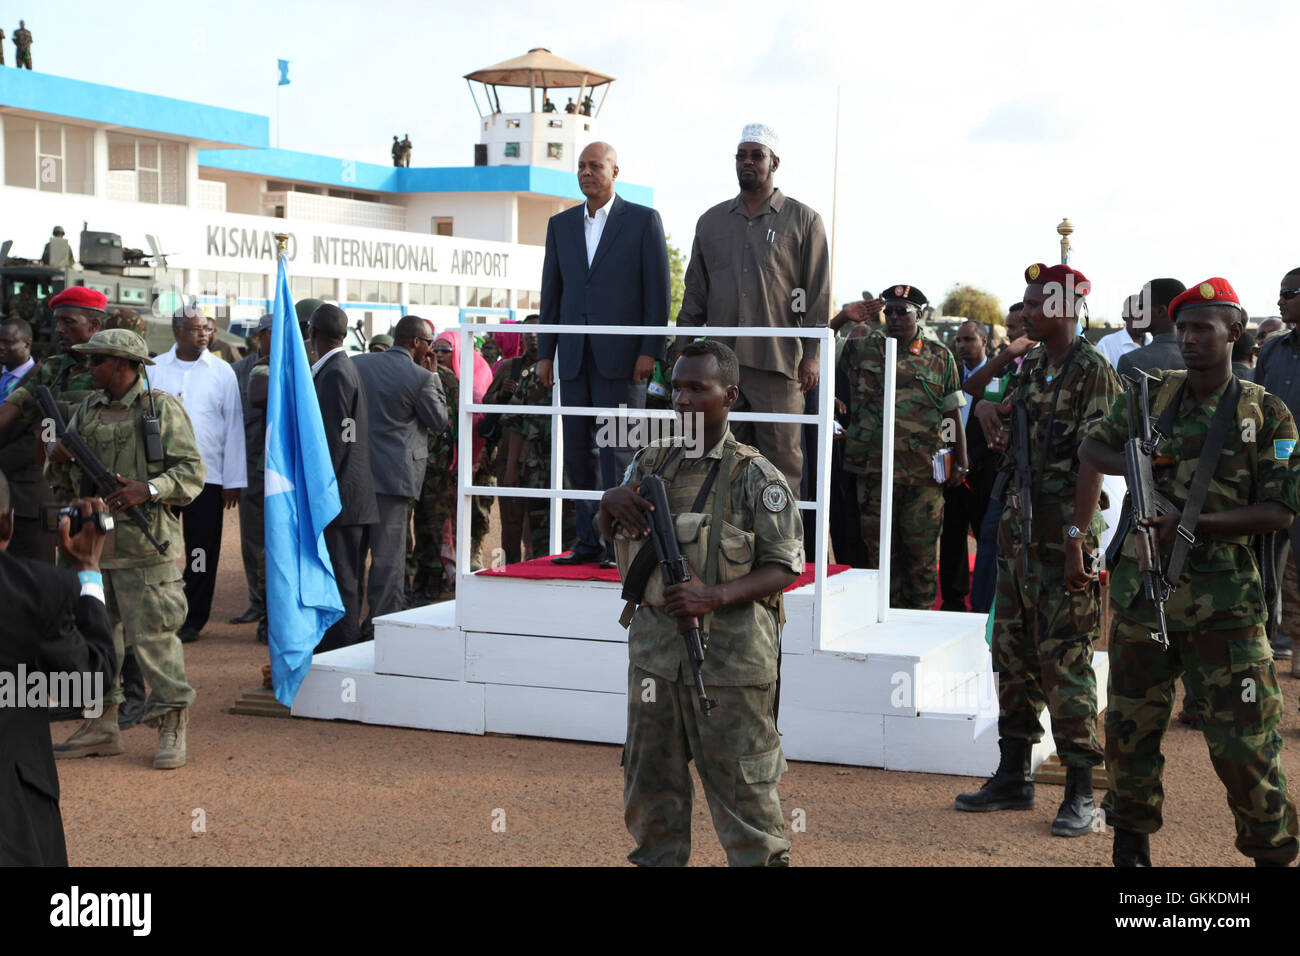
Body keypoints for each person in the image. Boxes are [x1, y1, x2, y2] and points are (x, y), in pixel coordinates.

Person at [1079, 276, 1300, 867]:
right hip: (1142, 596)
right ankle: (1132, 857)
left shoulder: (1267, 414)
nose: (1190, 337)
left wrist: (1190, 522)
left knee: (1245, 746)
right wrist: (1138, 460)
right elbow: (1090, 449)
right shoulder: (1150, 396)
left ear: (1234, 331)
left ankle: (1271, 854)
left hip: (1225, 610)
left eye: (1203, 326)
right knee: (1128, 738)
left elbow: (1279, 511)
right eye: (1183, 327)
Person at [600, 340, 803, 866]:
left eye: (698, 388)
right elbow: (615, 537)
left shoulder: (756, 476)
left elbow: (785, 566)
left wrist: (714, 595)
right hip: (654, 661)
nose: (683, 400)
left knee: (746, 800)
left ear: (729, 395)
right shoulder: (652, 459)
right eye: (677, 388)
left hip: (730, 664)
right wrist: (608, 502)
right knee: (651, 793)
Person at [953, 263, 1119, 838]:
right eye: (1021, 303)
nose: (1022, 312)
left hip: (1063, 532)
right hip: (1019, 530)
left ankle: (1078, 792)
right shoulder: (1035, 365)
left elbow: (1095, 459)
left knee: (1066, 657)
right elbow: (974, 389)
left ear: (1067, 308)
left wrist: (1076, 539)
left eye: (1035, 304)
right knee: (1012, 651)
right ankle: (1013, 775)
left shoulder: (1090, 369)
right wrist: (990, 406)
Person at [46, 329, 205, 769]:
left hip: (143, 546)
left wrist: (148, 488)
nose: (89, 368)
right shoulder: (88, 410)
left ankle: (173, 723)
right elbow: (61, 473)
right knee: (98, 640)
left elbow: (192, 472)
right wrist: (56, 457)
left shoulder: (161, 408)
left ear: (123, 364)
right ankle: (102, 724)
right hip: (93, 546)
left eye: (97, 361)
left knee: (154, 638)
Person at [676, 123, 830, 495]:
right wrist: (680, 348)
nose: (748, 162)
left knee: (781, 467)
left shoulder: (803, 220)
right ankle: (726, 548)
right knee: (718, 461)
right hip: (719, 368)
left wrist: (813, 355)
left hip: (777, 363)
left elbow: (818, 294)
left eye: (756, 155)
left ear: (774, 162)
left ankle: (782, 548)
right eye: (741, 155)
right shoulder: (711, 221)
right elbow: (695, 292)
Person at [537, 140, 669, 567]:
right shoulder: (560, 226)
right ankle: (588, 540)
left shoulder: (643, 221)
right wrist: (545, 354)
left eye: (595, 166)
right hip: (574, 357)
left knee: (620, 449)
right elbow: (551, 295)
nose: (586, 173)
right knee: (578, 450)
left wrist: (651, 350)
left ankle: (620, 543)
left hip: (625, 358)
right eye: (581, 167)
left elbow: (658, 293)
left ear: (615, 172)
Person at [0, 482, 116, 865]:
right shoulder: (37, 591)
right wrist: (88, 570)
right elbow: (90, 686)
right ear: (9, 524)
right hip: (14, 812)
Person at [837, 285, 967, 610]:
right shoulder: (863, 349)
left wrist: (959, 459)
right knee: (879, 557)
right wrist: (841, 317)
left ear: (919, 315)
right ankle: (882, 621)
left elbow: (951, 412)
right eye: (889, 311)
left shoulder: (940, 357)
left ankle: (918, 624)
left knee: (920, 559)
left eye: (902, 311)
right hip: (873, 472)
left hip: (922, 474)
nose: (893, 318)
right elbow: (817, 348)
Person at [148, 307, 247, 643]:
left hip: (207, 479)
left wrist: (232, 480)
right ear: (177, 332)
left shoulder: (222, 372)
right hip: (160, 478)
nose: (203, 334)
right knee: (155, 545)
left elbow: (233, 427)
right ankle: (156, 610)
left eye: (206, 328)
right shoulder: (155, 369)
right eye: (194, 329)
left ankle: (193, 617)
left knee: (200, 551)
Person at [353, 315, 448, 634]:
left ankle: (345, 626)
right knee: (388, 559)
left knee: (352, 555)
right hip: (395, 480)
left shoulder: (358, 364)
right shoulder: (422, 377)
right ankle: (380, 625)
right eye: (429, 343)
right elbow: (438, 421)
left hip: (354, 476)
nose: (431, 350)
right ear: (416, 343)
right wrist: (434, 379)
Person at [308, 305, 379, 651]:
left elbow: (336, 443)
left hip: (342, 501)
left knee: (343, 580)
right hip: (349, 498)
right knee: (345, 578)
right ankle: (341, 645)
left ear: (312, 334)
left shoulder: (335, 372)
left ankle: (341, 649)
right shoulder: (340, 367)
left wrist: (321, 494)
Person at [1251, 266, 1300, 668]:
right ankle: (1263, 653)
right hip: (1273, 478)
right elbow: (1257, 409)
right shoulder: (1272, 349)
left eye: (1289, 293)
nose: (1280, 300)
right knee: (1266, 572)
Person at [967, 302, 1029, 613]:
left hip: (1030, 481)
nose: (1010, 334)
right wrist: (981, 407)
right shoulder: (1006, 366)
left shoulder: (1047, 366)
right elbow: (974, 389)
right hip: (996, 477)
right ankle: (979, 614)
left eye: (1016, 327)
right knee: (989, 543)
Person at [939, 320, 996, 612]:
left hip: (982, 474)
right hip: (950, 474)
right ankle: (952, 600)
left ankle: (984, 603)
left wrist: (969, 459)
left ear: (984, 341)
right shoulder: (952, 375)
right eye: (958, 340)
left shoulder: (998, 376)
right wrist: (951, 458)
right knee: (951, 539)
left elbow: (997, 428)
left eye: (968, 339)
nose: (961, 345)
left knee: (985, 540)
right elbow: (947, 421)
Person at [229, 314, 272, 630]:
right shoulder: (239, 371)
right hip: (250, 464)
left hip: (282, 468)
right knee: (252, 538)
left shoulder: (294, 366)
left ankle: (277, 607)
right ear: (260, 336)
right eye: (274, 333)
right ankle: (257, 602)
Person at [411, 337, 461, 603]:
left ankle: (430, 580)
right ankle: (407, 580)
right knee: (400, 527)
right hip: (405, 462)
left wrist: (459, 462)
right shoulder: (405, 372)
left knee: (430, 524)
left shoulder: (448, 379)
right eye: (434, 348)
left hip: (436, 466)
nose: (436, 353)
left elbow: (457, 423)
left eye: (442, 349)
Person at [0, 317, 52, 562]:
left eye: (8, 342)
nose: (1, 347)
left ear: (27, 343)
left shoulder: (46, 378)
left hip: (26, 497)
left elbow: (35, 441)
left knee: (31, 577)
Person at [1115, 279, 1187, 380]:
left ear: (1161, 311)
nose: (1136, 312)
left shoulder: (1130, 361)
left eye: (1140, 306)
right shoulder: (1198, 357)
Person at [1096, 296, 1152, 369]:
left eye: (1143, 316)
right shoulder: (1106, 345)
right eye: (1135, 316)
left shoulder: (1155, 341)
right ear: (1124, 316)